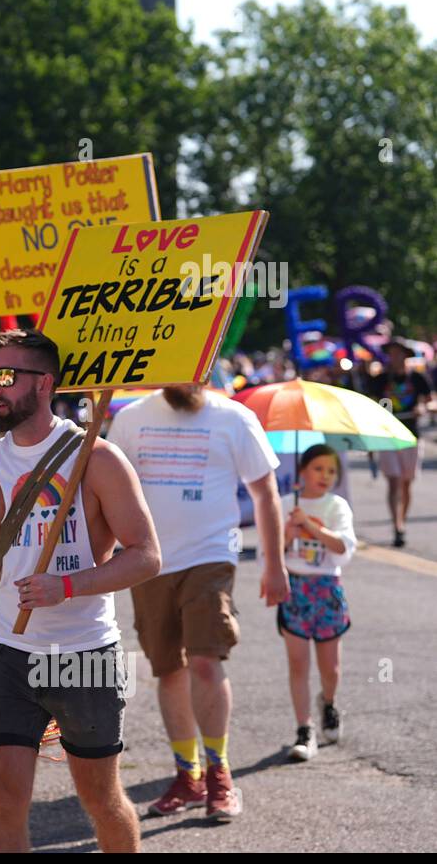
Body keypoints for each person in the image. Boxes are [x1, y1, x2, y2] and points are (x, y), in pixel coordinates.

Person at [0, 329, 160, 853]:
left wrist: (65, 585)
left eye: (6, 376)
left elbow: (145, 556)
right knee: (3, 801)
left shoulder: (96, 457)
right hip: (8, 653)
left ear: (44, 383)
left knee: (100, 798)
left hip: (85, 654)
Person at [108, 384, 289, 822]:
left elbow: (265, 493)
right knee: (169, 669)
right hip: (148, 561)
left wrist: (274, 565)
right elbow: (106, 492)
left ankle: (219, 774)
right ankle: (187, 776)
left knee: (206, 660)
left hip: (212, 555)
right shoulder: (130, 418)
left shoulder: (234, 417)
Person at [279, 445, 355, 761]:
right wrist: (287, 531)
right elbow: (272, 552)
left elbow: (343, 549)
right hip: (294, 590)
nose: (325, 476)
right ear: (302, 472)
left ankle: (328, 701)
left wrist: (310, 527)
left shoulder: (337, 506)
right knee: (298, 663)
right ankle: (303, 729)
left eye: (331, 470)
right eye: (318, 468)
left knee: (331, 667)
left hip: (326, 589)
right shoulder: (284, 504)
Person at [367, 339, 433, 547]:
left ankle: (402, 519)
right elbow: (369, 402)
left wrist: (422, 408)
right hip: (388, 435)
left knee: (406, 482)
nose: (394, 358)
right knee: (393, 481)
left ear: (405, 356)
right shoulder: (381, 380)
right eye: (391, 354)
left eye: (398, 354)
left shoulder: (418, 378)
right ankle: (398, 526)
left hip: (411, 435)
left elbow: (430, 400)